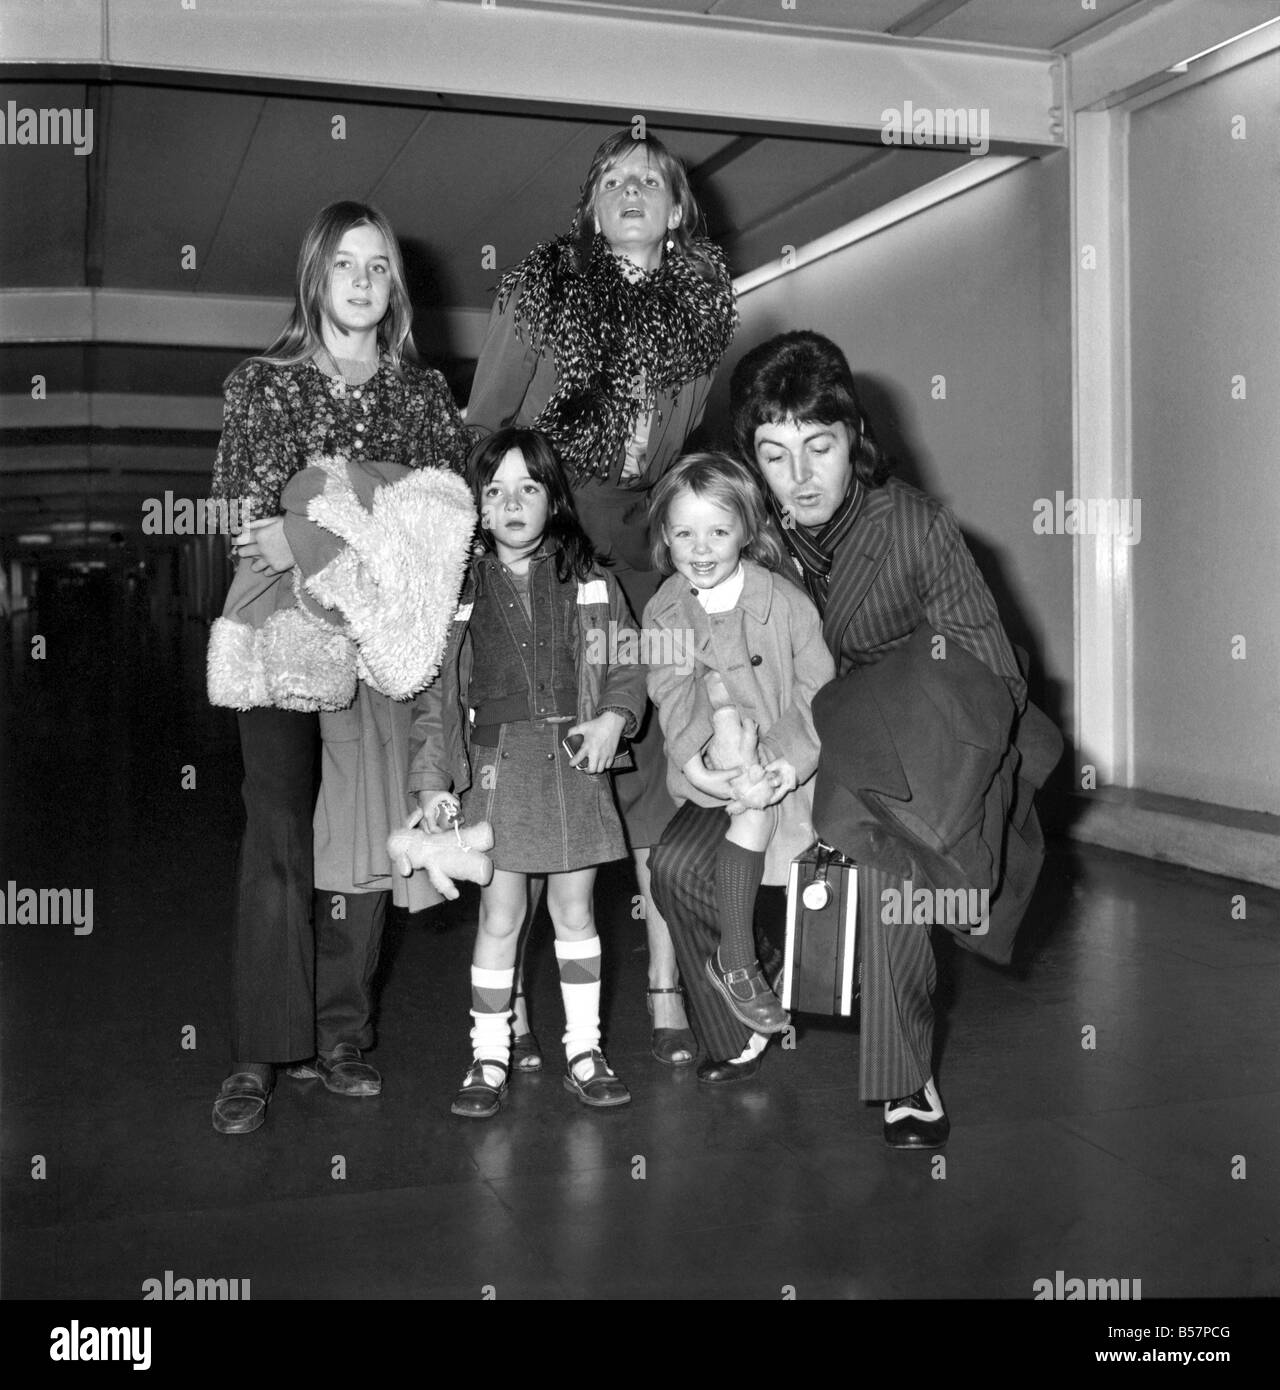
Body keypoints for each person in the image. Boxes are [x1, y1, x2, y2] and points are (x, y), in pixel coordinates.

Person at [650, 330, 1029, 1149]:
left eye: (819, 447)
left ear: (854, 437)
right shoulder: (752, 535)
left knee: (881, 864)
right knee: (677, 863)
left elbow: (994, 671)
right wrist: (704, 755)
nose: (800, 476)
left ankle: (905, 1078)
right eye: (774, 454)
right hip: (781, 746)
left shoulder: (916, 526)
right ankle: (740, 1017)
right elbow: (681, 637)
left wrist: (863, 721)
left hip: (908, 743)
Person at [466, 128, 737, 1067]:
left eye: (649, 182)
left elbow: (684, 441)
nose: (630, 192)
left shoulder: (703, 308)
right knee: (547, 760)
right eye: (612, 180)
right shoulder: (543, 284)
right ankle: (517, 1018)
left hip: (640, 544)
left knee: (649, 754)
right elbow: (488, 426)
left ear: (675, 210)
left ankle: (665, 984)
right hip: (551, 531)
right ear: (591, 206)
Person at [208, 200, 472, 1136]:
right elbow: (249, 522)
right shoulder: (260, 385)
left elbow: (441, 524)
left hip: (384, 635)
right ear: (315, 275)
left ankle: (341, 1037)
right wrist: (352, 513)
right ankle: (257, 1052)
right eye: (346, 265)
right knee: (278, 828)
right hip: (282, 637)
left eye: (379, 267)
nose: (364, 281)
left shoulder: (423, 395)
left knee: (369, 831)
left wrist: (313, 523)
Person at [408, 427, 647, 1119]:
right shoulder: (457, 588)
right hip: (495, 769)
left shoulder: (591, 578)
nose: (512, 503)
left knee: (575, 913)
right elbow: (438, 698)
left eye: (530, 488)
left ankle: (584, 1048)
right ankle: (488, 1052)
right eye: (495, 490)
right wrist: (431, 783)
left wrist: (612, 717)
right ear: (477, 506)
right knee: (501, 914)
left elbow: (626, 663)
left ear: (554, 498)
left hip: (573, 765)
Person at [643, 454, 834, 1038]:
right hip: (712, 771)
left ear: (747, 532)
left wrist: (777, 764)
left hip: (781, 770)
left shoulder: (786, 601)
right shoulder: (665, 610)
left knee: (753, 813)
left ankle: (741, 966)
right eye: (684, 533)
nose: (701, 549)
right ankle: (735, 986)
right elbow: (671, 693)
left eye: (718, 532)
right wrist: (697, 763)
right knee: (671, 869)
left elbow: (817, 692)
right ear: (665, 537)